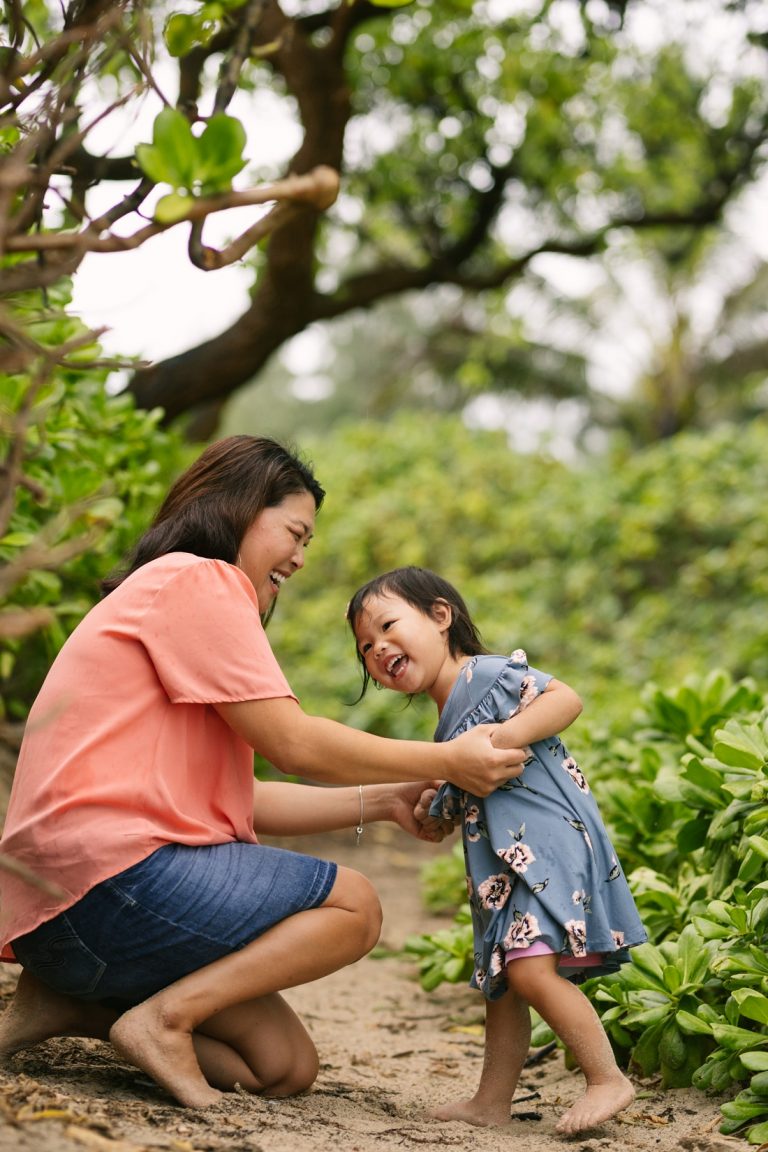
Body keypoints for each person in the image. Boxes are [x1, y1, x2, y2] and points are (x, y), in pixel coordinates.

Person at [0, 438, 529, 1112]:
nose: (301, 557)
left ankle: (72, 1004)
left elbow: (242, 798)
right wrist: (449, 759)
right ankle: (162, 1020)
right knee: (353, 905)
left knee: (281, 1068)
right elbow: (295, 743)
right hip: (109, 883)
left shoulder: (167, 593)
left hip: (63, 909)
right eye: (295, 532)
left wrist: (389, 800)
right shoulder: (199, 579)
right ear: (243, 506)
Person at [347, 566, 648, 1136]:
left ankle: (607, 1076)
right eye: (366, 647)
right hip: (504, 863)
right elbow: (469, 783)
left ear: (441, 617)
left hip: (547, 843)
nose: (379, 647)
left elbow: (565, 697)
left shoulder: (485, 676)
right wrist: (436, 809)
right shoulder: (447, 725)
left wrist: (501, 738)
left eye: (388, 626)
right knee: (504, 980)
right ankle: (491, 1101)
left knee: (530, 971)